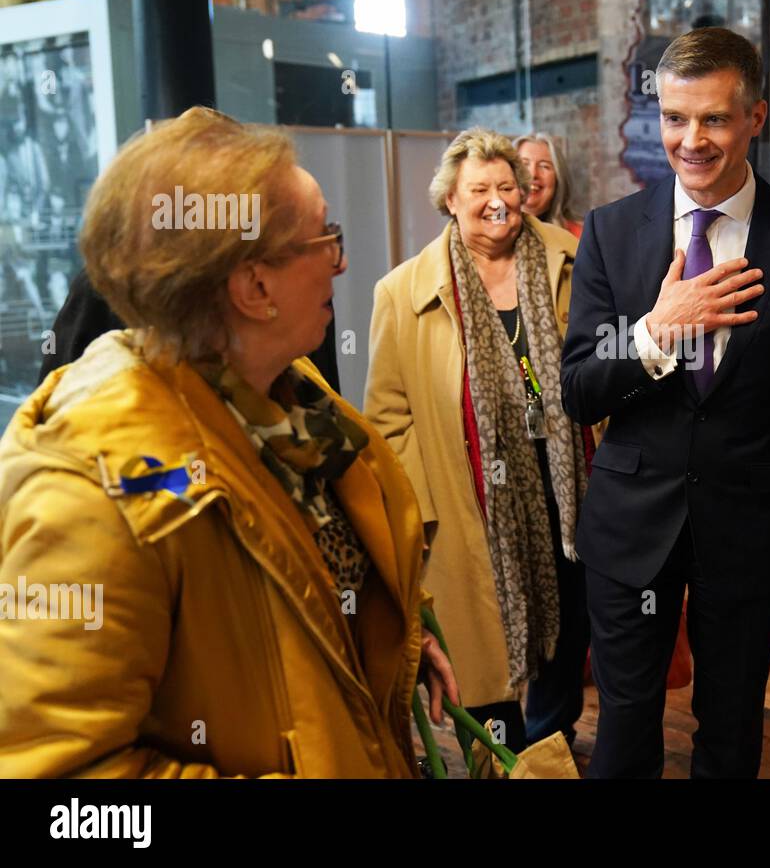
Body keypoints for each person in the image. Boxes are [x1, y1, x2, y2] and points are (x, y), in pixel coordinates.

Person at [0, 107, 458, 777]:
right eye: (324, 236)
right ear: (253, 286)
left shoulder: (285, 393)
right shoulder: (98, 494)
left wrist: (399, 631)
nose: (342, 259)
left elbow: (314, 579)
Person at [561, 26, 770, 778]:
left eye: (714, 119)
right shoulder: (609, 231)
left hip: (750, 524)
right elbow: (577, 389)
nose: (690, 140)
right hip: (632, 524)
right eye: (673, 119)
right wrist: (654, 336)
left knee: (730, 729)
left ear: (755, 118)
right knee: (626, 729)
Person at [366, 127, 593, 753]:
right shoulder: (400, 293)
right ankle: (501, 753)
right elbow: (388, 421)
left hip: (566, 484)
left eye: (506, 187)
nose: (496, 200)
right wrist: (422, 514)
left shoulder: (571, 260)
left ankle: (552, 744)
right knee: (487, 644)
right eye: (479, 190)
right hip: (470, 499)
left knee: (568, 624)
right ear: (450, 199)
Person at [514, 132, 583, 237]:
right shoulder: (490, 231)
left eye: (544, 166)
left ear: (558, 178)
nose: (533, 174)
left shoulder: (579, 237)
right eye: (524, 164)